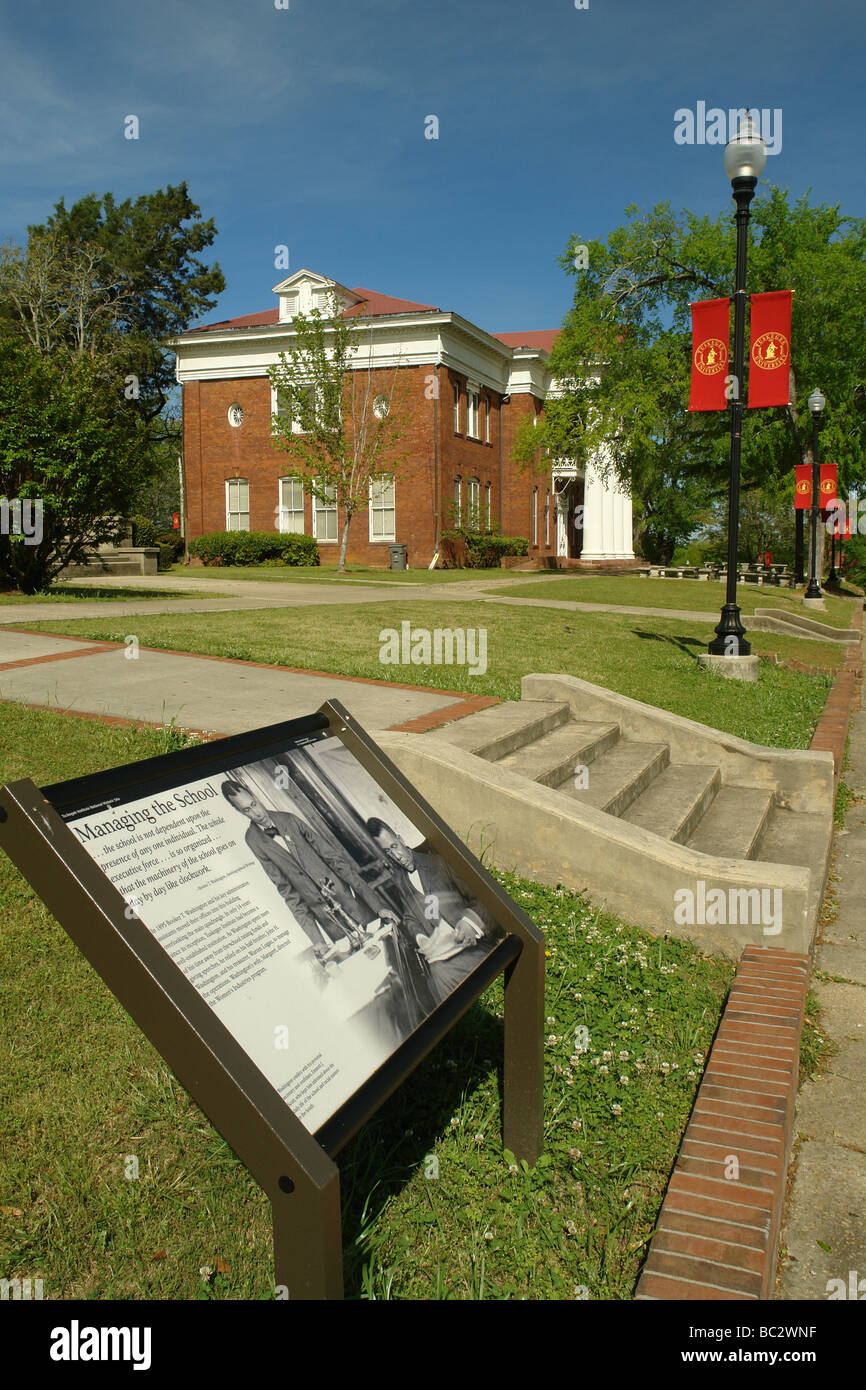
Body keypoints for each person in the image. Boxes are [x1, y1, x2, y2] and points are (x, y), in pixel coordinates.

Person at [221, 780, 388, 953]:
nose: (256, 813)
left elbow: (336, 861)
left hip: (356, 907)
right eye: (246, 810)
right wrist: (317, 940)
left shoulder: (289, 819)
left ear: (254, 795)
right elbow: (287, 891)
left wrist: (377, 905)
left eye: (254, 804)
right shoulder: (253, 840)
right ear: (238, 811)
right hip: (334, 926)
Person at [366, 818, 496, 1002]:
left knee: (439, 979)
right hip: (444, 954)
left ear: (402, 840)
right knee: (431, 983)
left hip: (475, 946)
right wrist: (421, 938)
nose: (397, 856)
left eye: (395, 846)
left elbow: (485, 898)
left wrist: (470, 924)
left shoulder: (439, 861)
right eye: (388, 852)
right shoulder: (401, 882)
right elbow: (409, 917)